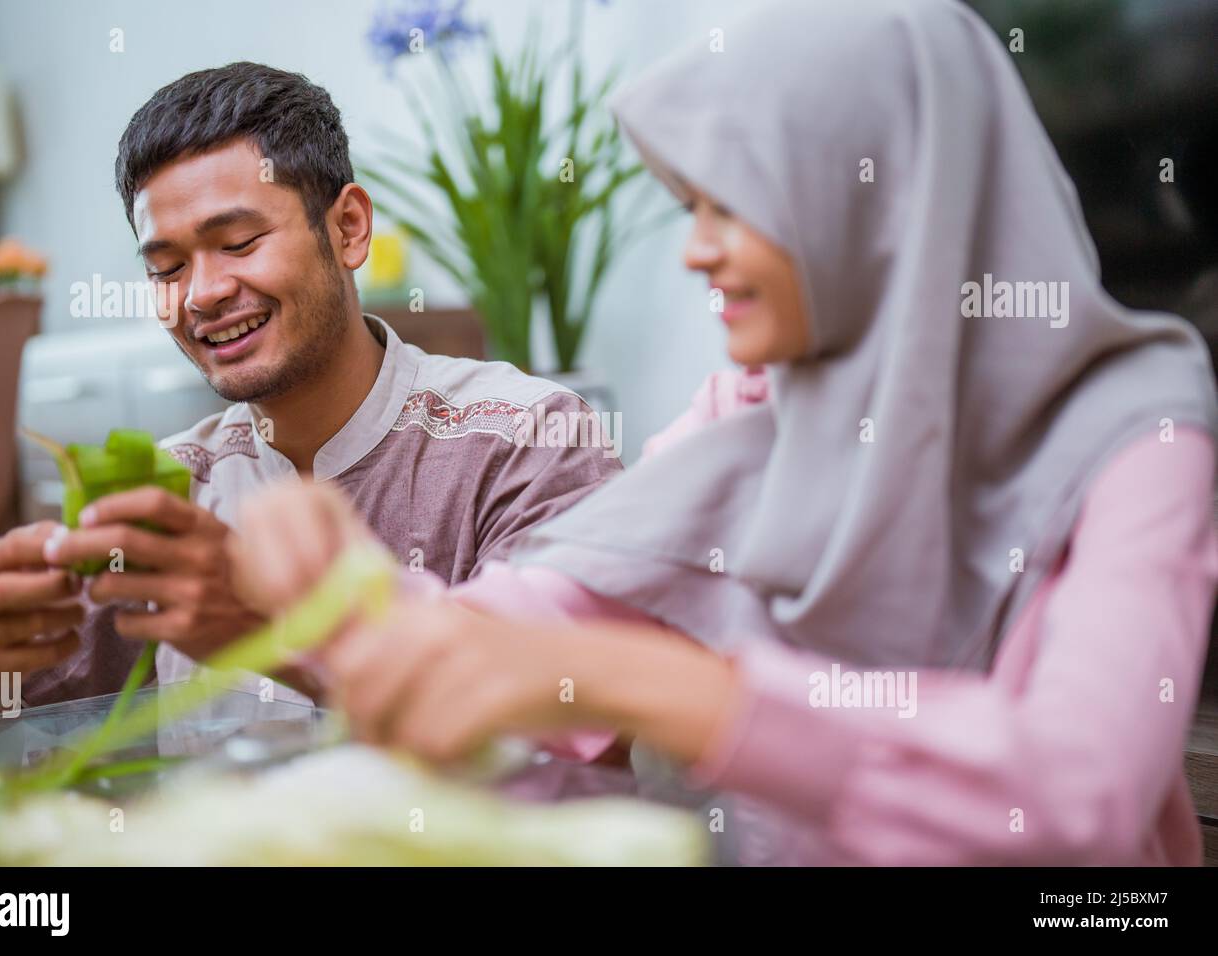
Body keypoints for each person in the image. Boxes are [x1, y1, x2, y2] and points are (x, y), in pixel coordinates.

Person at [228, 0, 1218, 865]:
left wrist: (688, 690)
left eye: (733, 205)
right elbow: (535, 627)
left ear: (878, 195)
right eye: (688, 207)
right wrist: (328, 583)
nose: (697, 250)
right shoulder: (745, 412)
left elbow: (1075, 793)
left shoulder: (1139, 438)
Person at [0, 63, 620, 714]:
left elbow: (582, 709)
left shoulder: (527, 439)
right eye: (166, 268)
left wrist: (261, 623)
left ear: (348, 227)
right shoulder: (173, 486)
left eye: (239, 242)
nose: (202, 294)